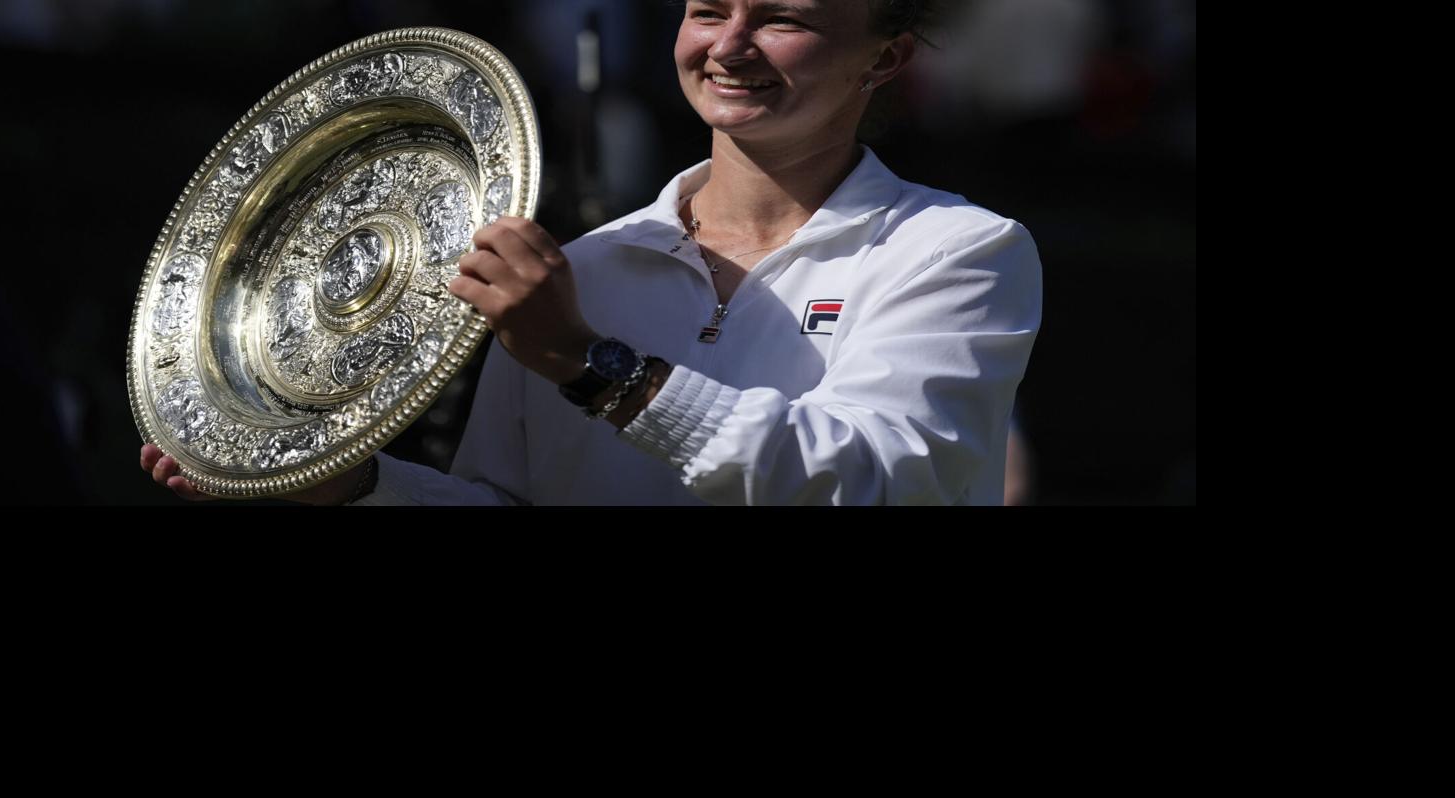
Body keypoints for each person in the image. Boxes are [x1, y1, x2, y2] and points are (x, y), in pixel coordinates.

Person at [142, 0, 1041, 505]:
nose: (728, 46)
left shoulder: (959, 252)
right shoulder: (583, 267)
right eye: (707, 11)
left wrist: (590, 365)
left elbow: (871, 482)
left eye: (780, 19)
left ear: (882, 60)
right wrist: (342, 491)